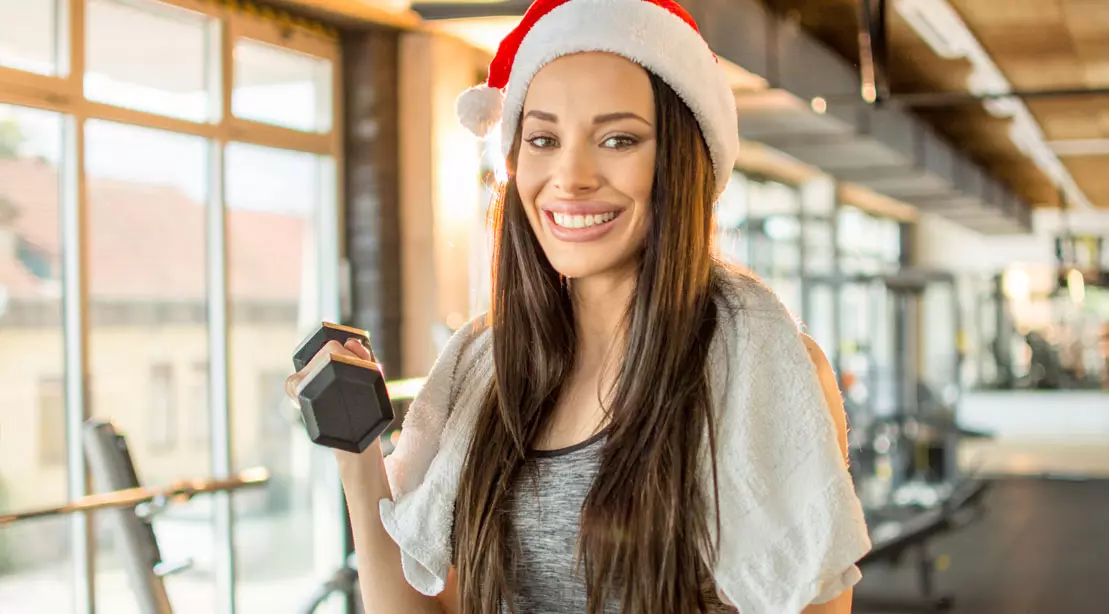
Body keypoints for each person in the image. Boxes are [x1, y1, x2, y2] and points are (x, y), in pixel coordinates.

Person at [288, 0, 871, 612]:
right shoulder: (486, 368)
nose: (571, 175)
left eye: (618, 139)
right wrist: (358, 461)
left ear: (677, 161)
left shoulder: (762, 367)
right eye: (543, 139)